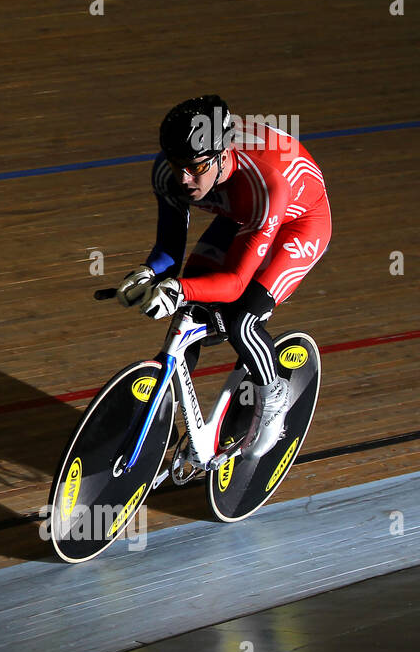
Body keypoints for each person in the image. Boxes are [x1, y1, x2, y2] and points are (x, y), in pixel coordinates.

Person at [116, 96, 331, 457]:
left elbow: (233, 282)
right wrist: (149, 272)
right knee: (189, 309)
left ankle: (273, 394)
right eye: (176, 165)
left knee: (241, 319)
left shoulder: (266, 183)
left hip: (298, 223)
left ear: (221, 155)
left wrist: (178, 289)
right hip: (243, 215)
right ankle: (158, 415)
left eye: (195, 168)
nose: (184, 179)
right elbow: (170, 250)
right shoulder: (171, 174)